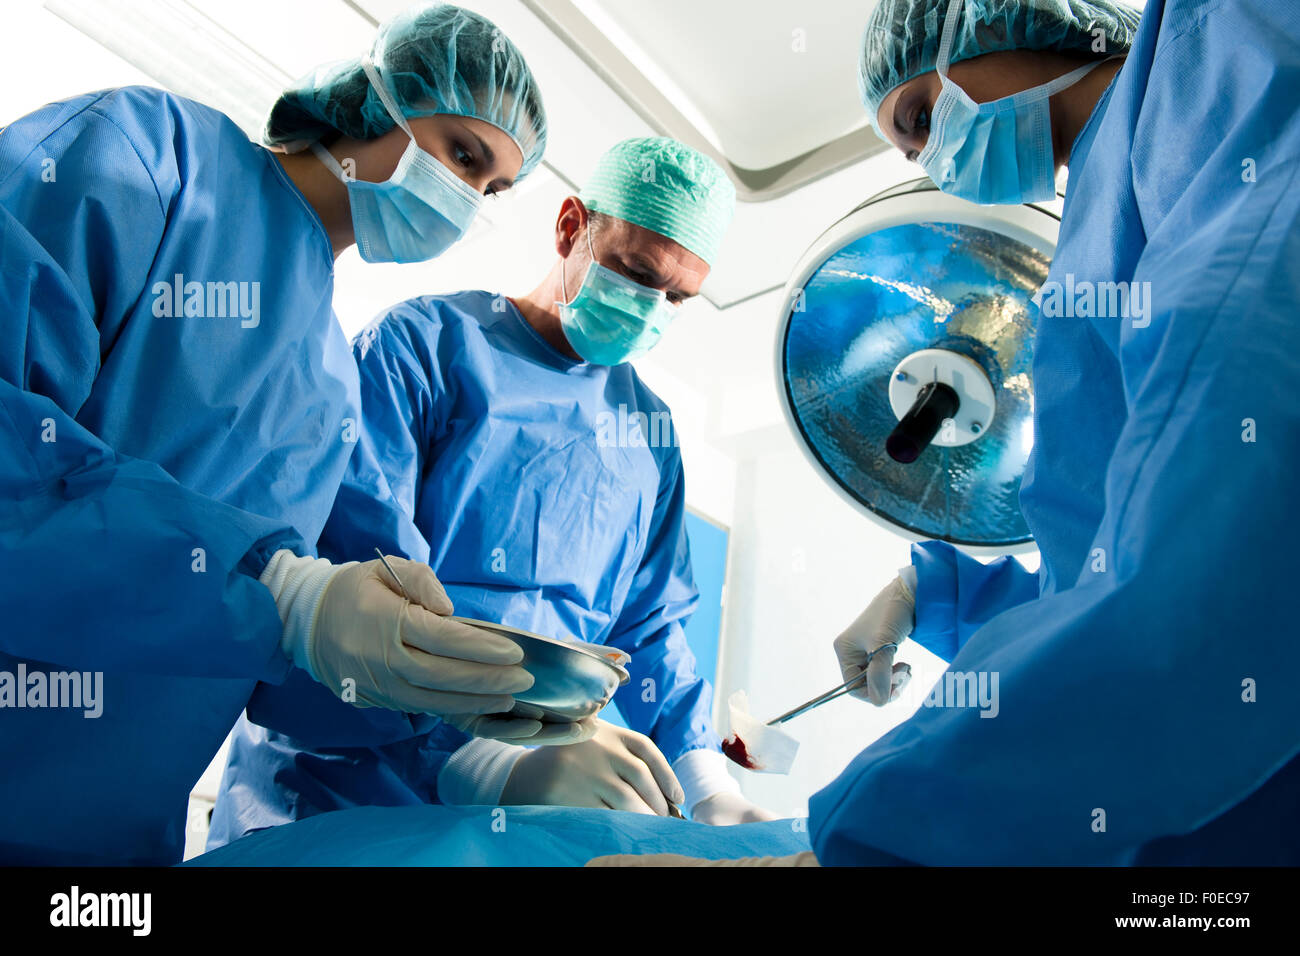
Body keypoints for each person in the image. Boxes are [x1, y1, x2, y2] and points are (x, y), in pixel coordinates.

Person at [595, 0, 1300, 867]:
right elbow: (1105, 576)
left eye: (926, 118)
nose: (940, 161)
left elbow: (1230, 553)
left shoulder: (1220, 41)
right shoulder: (1107, 217)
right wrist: (940, 595)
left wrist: (868, 849)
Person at [0, 2, 572, 865]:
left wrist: (451, 707)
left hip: (111, 853)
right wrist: (281, 592)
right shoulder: (149, 159)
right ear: (379, 97)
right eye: (462, 154)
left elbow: (303, 666)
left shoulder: (330, 383)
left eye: (491, 189)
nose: (466, 199)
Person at [209, 137, 776, 846]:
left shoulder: (648, 433)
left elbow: (654, 624)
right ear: (572, 226)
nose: (651, 308)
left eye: (678, 297)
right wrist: (475, 754)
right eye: (637, 273)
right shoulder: (426, 347)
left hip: (523, 814)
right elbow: (365, 580)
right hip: (338, 794)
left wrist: (707, 783)